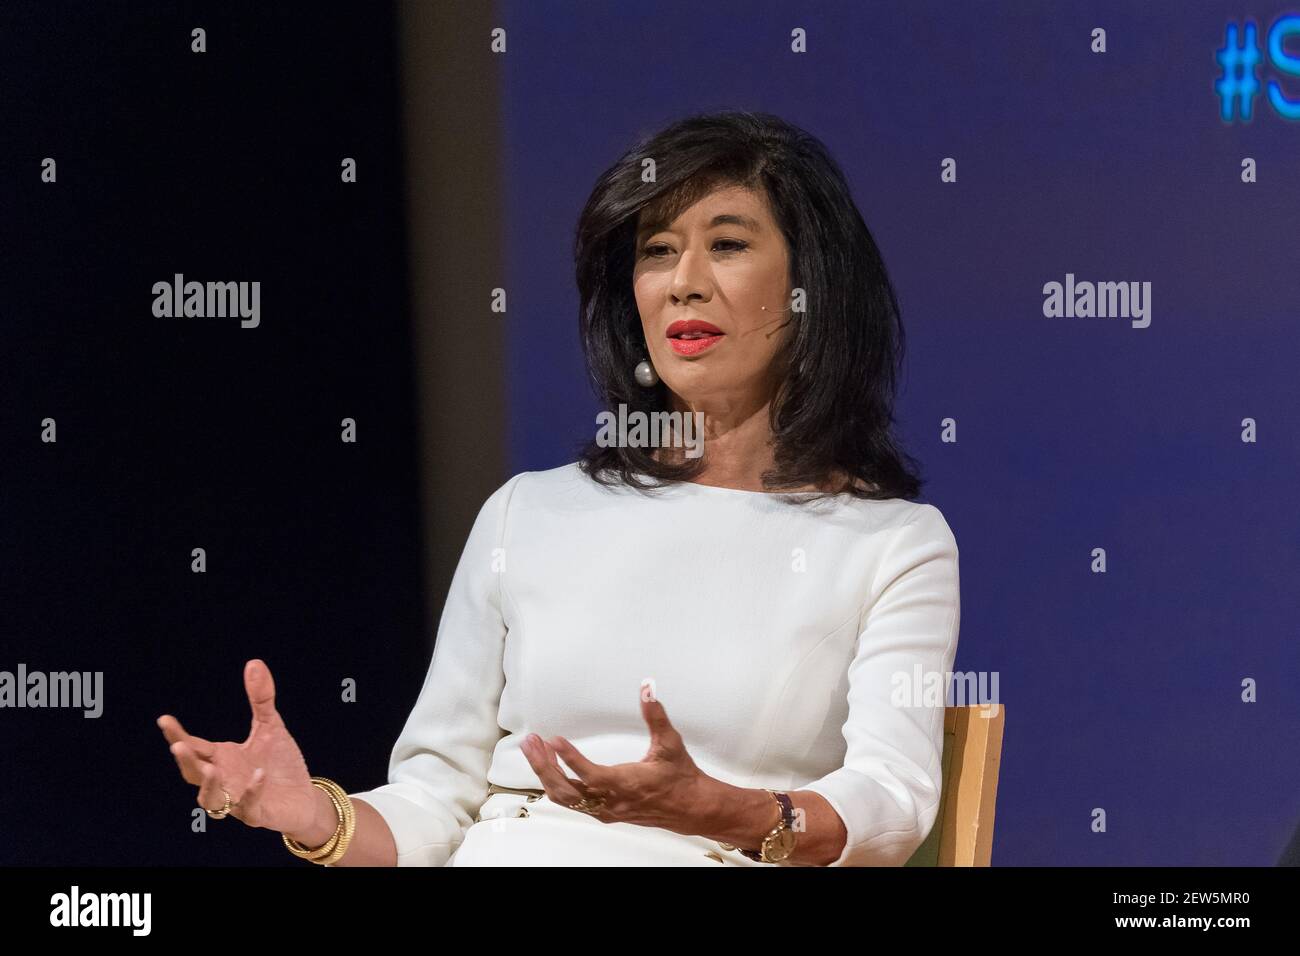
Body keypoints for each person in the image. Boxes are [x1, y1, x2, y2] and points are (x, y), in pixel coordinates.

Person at [157, 109, 961, 866]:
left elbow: (892, 800)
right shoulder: (526, 513)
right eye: (655, 251)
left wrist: (717, 809)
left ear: (810, 288)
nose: (682, 282)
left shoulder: (890, 545)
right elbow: (437, 800)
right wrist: (313, 814)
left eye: (726, 244)